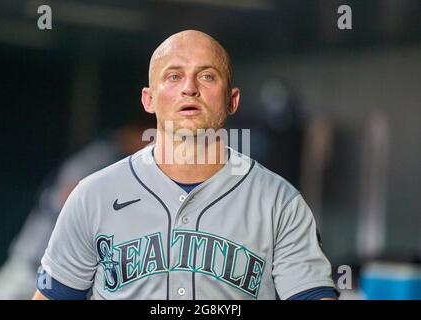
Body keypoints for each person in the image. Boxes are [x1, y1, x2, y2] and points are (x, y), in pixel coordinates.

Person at [33, 30, 338, 300]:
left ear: (232, 100)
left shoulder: (280, 202)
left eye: (207, 76)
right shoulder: (93, 196)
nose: (189, 88)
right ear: (148, 99)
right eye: (174, 76)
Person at [0, 122, 151, 299]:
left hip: (48, 275)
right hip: (29, 272)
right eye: (150, 138)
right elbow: (66, 196)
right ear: (137, 132)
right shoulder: (104, 152)